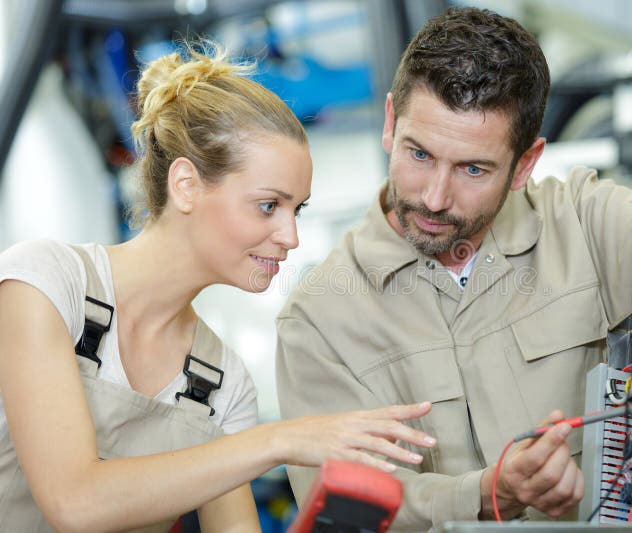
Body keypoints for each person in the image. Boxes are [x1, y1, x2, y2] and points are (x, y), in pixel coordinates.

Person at [275, 6, 632, 530]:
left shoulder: (580, 224)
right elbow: (341, 511)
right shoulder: (319, 319)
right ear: (390, 122)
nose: (434, 198)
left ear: (526, 162)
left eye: (473, 169)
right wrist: (481, 494)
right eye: (419, 154)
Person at [0, 42, 437, 533]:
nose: (291, 237)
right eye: (269, 205)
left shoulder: (220, 381)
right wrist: (279, 441)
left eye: (299, 210)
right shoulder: (44, 285)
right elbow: (74, 503)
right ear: (186, 184)